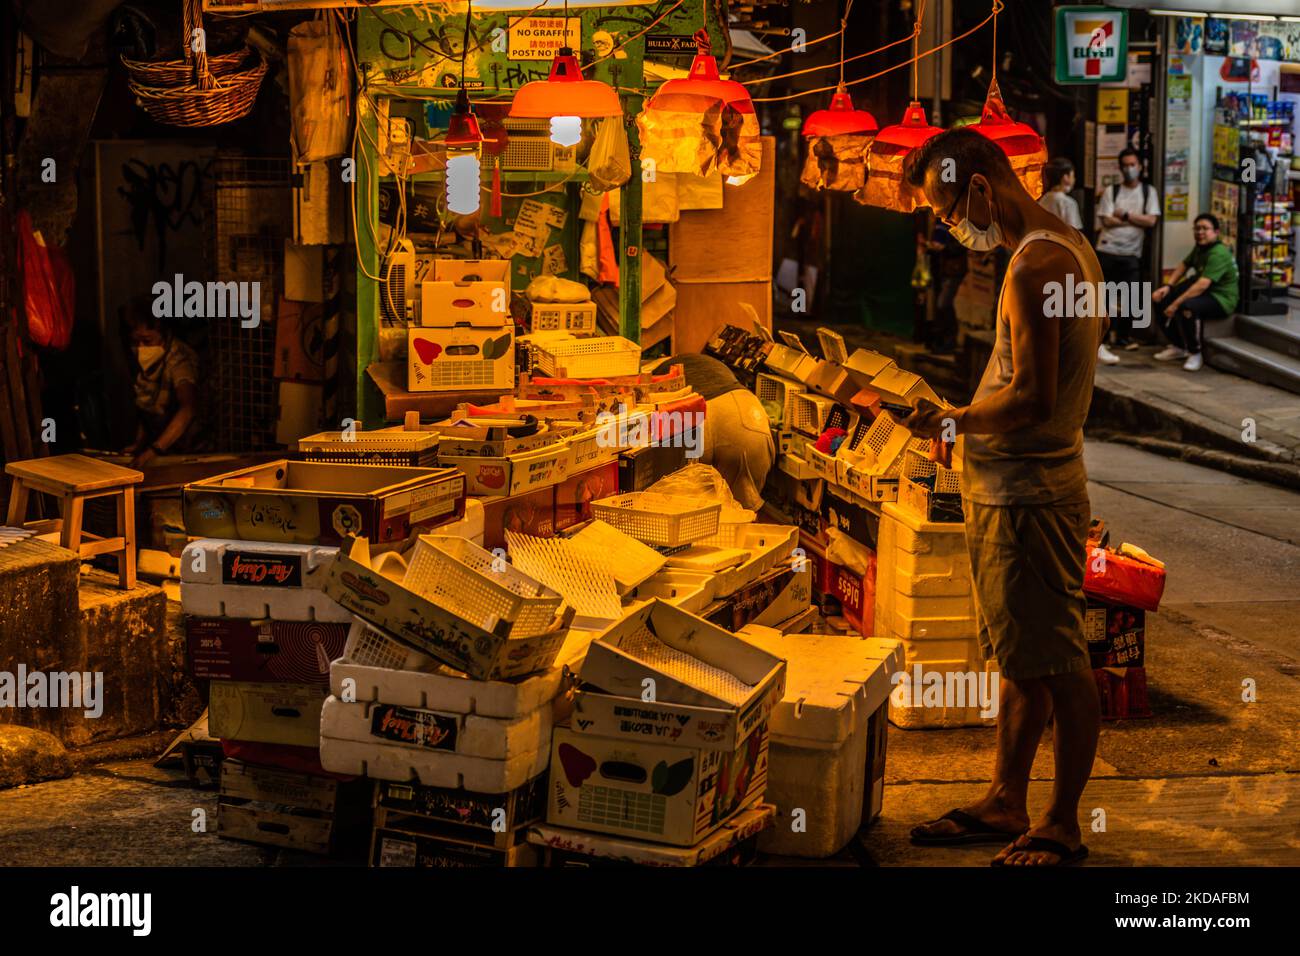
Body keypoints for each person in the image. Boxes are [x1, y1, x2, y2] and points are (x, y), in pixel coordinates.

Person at [899, 128, 1105, 867]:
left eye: (951, 207)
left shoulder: (1037, 266)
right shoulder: (1064, 244)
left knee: (1059, 662)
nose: (953, 226)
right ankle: (1005, 798)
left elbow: (1032, 398)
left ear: (982, 186)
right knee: (1025, 661)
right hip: (1013, 490)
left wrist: (953, 417)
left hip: (1030, 497)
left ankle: (1061, 824)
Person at [650, 353, 775, 510]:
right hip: (748, 420)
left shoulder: (656, 374)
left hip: (697, 423)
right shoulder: (710, 364)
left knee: (691, 513)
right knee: (742, 516)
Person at [1094, 147, 1160, 363]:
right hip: (1107, 249)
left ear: (1140, 166)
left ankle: (1122, 336)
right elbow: (1106, 220)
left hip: (1132, 253)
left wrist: (1123, 214)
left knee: (1130, 296)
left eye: (1133, 164)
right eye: (1125, 165)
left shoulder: (1148, 192)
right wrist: (1134, 219)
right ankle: (1102, 337)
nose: (1129, 169)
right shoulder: (1111, 191)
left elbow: (1151, 221)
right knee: (1104, 297)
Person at [1152, 213, 1239, 372]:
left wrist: (1175, 304)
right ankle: (1179, 347)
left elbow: (1202, 285)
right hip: (1203, 290)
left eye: (1205, 228)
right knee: (1159, 299)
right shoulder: (1200, 248)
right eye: (1197, 228)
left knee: (1188, 307)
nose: (1200, 232)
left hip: (1221, 298)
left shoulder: (1218, 253)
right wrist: (1168, 287)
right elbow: (1184, 265)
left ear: (1216, 232)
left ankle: (1195, 353)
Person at [124, 309, 203, 468]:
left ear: (165, 336)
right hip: (163, 446)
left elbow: (188, 408)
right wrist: (140, 443)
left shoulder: (180, 359)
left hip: (190, 450)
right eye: (135, 342)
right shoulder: (146, 362)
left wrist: (154, 450)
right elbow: (147, 405)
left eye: (147, 341)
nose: (140, 348)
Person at [925, 219, 966, 353]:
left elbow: (962, 245)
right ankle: (942, 340)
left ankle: (951, 339)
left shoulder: (958, 221)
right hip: (942, 269)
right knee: (941, 304)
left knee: (943, 303)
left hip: (954, 269)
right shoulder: (938, 221)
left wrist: (944, 248)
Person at [1038, 157, 1083, 230]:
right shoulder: (1069, 203)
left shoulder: (1043, 200)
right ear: (1065, 177)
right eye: (1072, 176)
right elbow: (1074, 233)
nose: (1074, 179)